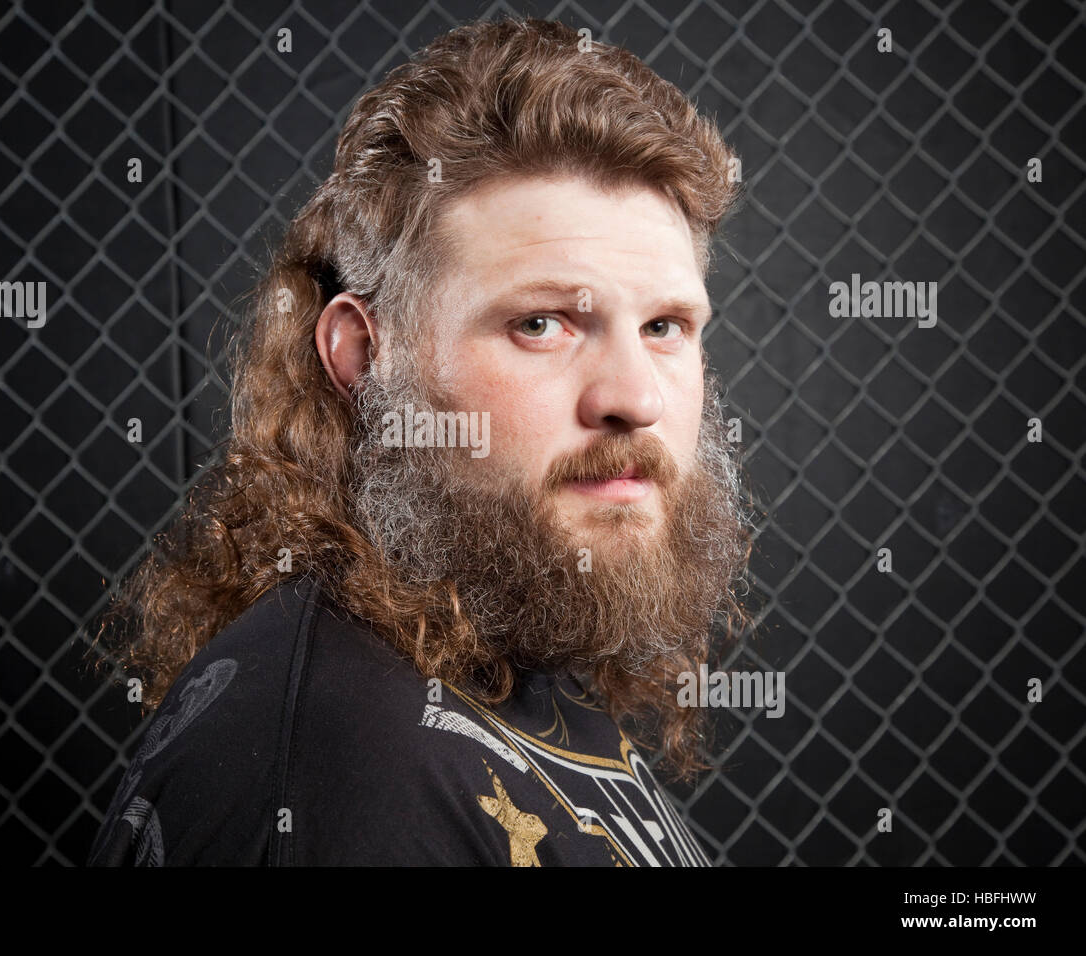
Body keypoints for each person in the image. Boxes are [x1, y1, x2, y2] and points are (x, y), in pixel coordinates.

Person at [87, 15, 750, 867]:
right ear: (365, 357)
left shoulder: (510, 645)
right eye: (541, 323)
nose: (636, 397)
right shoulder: (335, 772)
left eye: (665, 325)